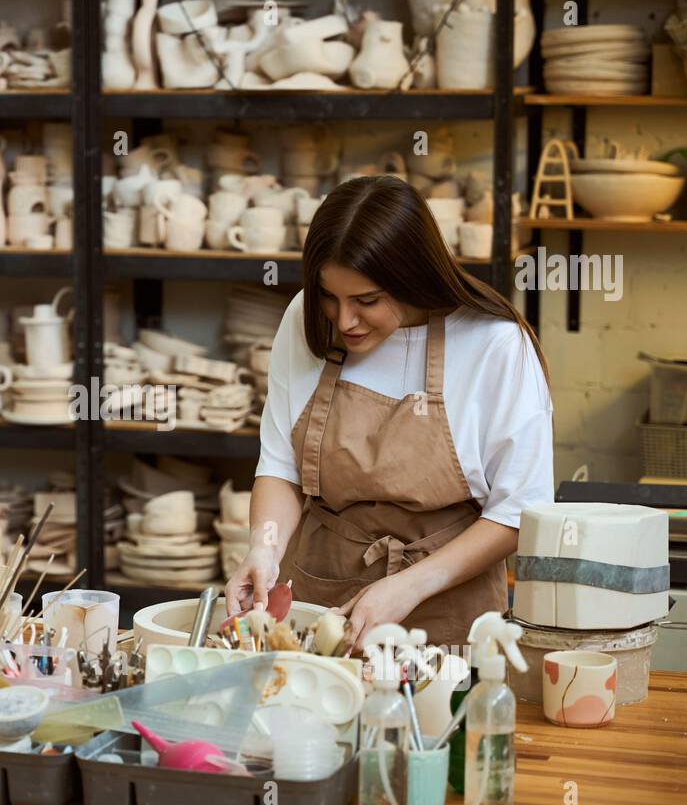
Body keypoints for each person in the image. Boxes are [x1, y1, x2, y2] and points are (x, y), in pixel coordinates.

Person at [225, 176, 553, 651]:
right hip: (317, 600)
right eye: (328, 296)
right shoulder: (304, 320)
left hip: (446, 619)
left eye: (367, 300)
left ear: (413, 277)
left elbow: (518, 511)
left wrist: (407, 586)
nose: (343, 321)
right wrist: (264, 548)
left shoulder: (493, 344)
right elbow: (280, 467)